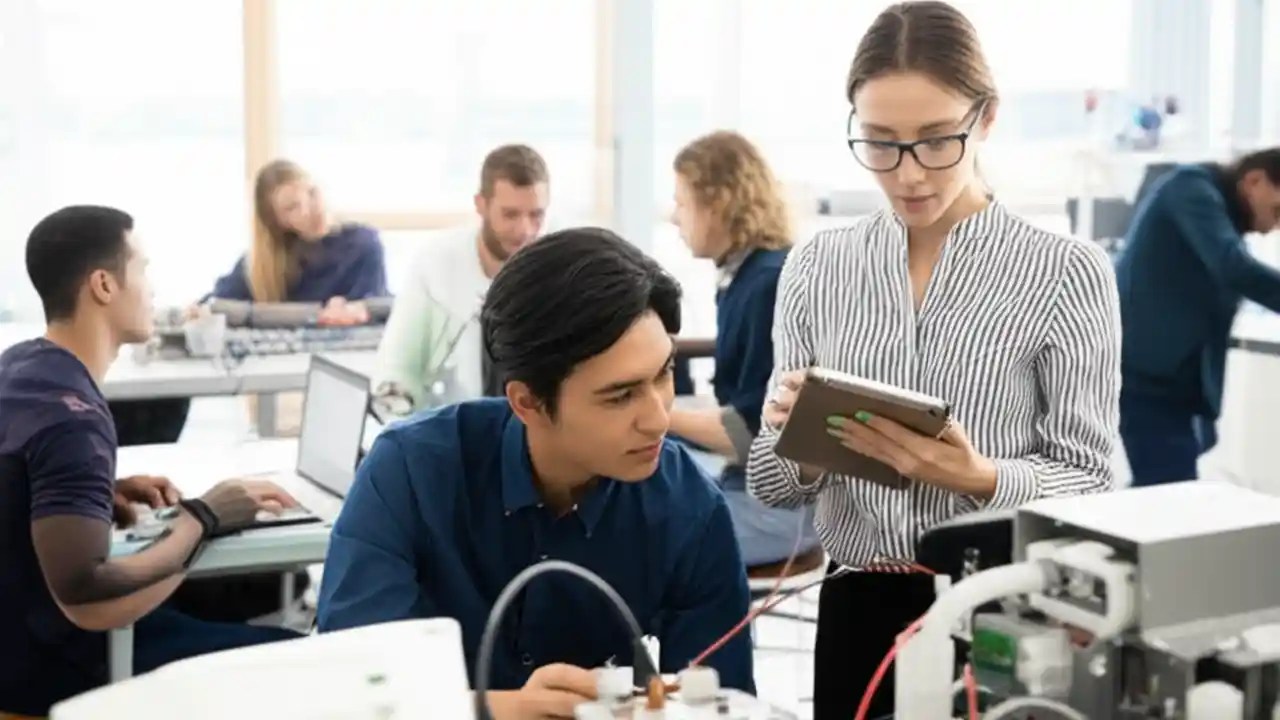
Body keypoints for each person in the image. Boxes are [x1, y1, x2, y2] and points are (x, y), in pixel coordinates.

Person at [744, 3, 1121, 719]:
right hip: (858, 608)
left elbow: (1093, 478)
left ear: (985, 118)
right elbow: (770, 482)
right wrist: (805, 442)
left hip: (1004, 609)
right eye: (880, 143)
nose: (908, 173)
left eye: (935, 141)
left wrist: (978, 478)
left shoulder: (1066, 271)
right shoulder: (817, 267)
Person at [318, 228, 754, 719]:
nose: (657, 418)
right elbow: (349, 683)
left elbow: (723, 705)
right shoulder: (410, 474)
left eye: (663, 374)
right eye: (620, 395)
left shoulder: (690, 510)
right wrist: (495, 710)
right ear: (527, 402)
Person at [0, 206, 302, 716]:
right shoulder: (72, 415)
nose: (153, 288)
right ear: (103, 285)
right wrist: (205, 517)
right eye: (142, 269)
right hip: (54, 669)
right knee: (302, 655)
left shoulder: (22, 367)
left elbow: (21, 483)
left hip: (16, 643)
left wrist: (104, 490)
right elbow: (86, 589)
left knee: (249, 598)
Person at [666, 130, 821, 568]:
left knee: (636, 526)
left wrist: (656, 415)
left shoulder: (767, 286)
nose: (674, 217)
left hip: (780, 513)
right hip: (756, 487)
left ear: (717, 204)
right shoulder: (750, 275)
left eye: (681, 202)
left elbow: (753, 435)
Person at [1115, 148, 1280, 486]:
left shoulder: (1220, 222)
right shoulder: (1190, 188)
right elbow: (1234, 268)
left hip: (1181, 387)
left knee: (1163, 494)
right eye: (1277, 211)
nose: (1273, 227)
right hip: (1148, 380)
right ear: (1254, 180)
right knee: (1169, 498)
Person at [374, 144, 550, 414]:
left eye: (536, 215)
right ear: (481, 205)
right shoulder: (435, 266)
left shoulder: (559, 267)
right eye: (510, 214)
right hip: (453, 431)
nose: (525, 230)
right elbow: (398, 369)